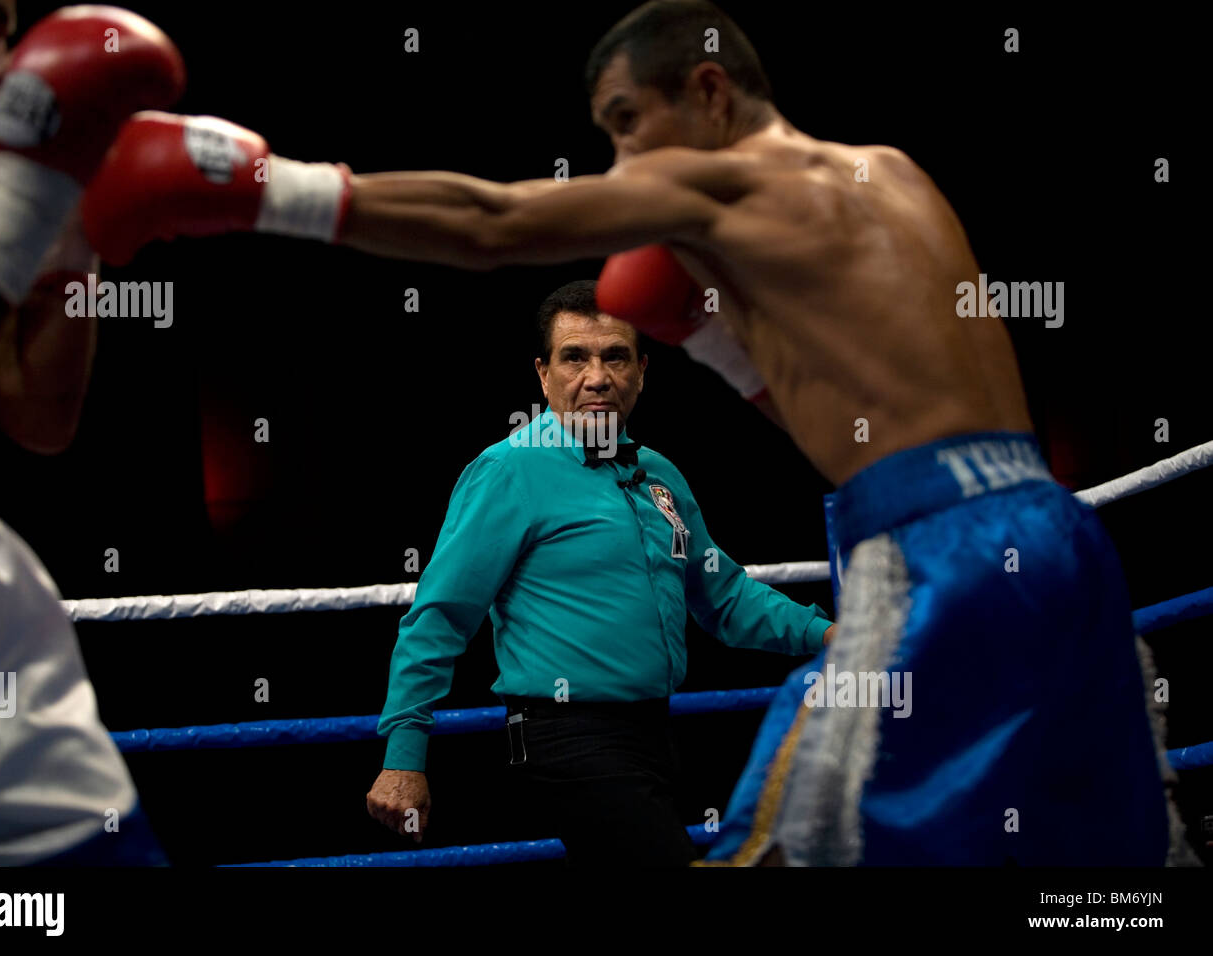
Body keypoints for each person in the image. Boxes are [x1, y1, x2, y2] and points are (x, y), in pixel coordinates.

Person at [78, 0, 1174, 864]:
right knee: (1106, 846)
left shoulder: (721, 186)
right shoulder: (891, 173)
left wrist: (261, 186)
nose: (617, 168)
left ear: (705, 88)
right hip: (1058, 541)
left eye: (622, 126)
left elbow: (491, 222)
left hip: (936, 550)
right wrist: (730, 347)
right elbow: (882, 381)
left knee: (789, 846)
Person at [364, 280, 833, 865]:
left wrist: (829, 635)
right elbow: (439, 617)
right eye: (574, 357)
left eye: (614, 356)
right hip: (568, 737)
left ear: (641, 368)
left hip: (654, 734)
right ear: (543, 374)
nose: (597, 377)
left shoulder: (661, 475)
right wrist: (403, 756)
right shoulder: (510, 469)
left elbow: (726, 595)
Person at [0, 1, 184, 865]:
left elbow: (38, 415)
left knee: (91, 858)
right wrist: (29, 200)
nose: (5, 62)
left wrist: (73, 231)